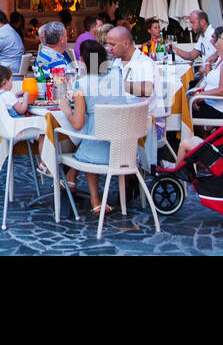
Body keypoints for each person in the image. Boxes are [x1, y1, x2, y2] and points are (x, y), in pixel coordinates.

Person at [55, 39, 117, 215]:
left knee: (90, 138)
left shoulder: (82, 84)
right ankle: (71, 177)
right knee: (93, 129)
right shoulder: (117, 76)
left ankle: (95, 200)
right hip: (123, 149)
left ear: (81, 60)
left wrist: (66, 109)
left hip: (99, 151)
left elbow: (77, 123)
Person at [103, 26, 155, 98]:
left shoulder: (145, 62)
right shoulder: (116, 62)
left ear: (126, 44)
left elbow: (147, 90)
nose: (109, 49)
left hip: (142, 109)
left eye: (113, 45)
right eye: (108, 45)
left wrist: (119, 84)